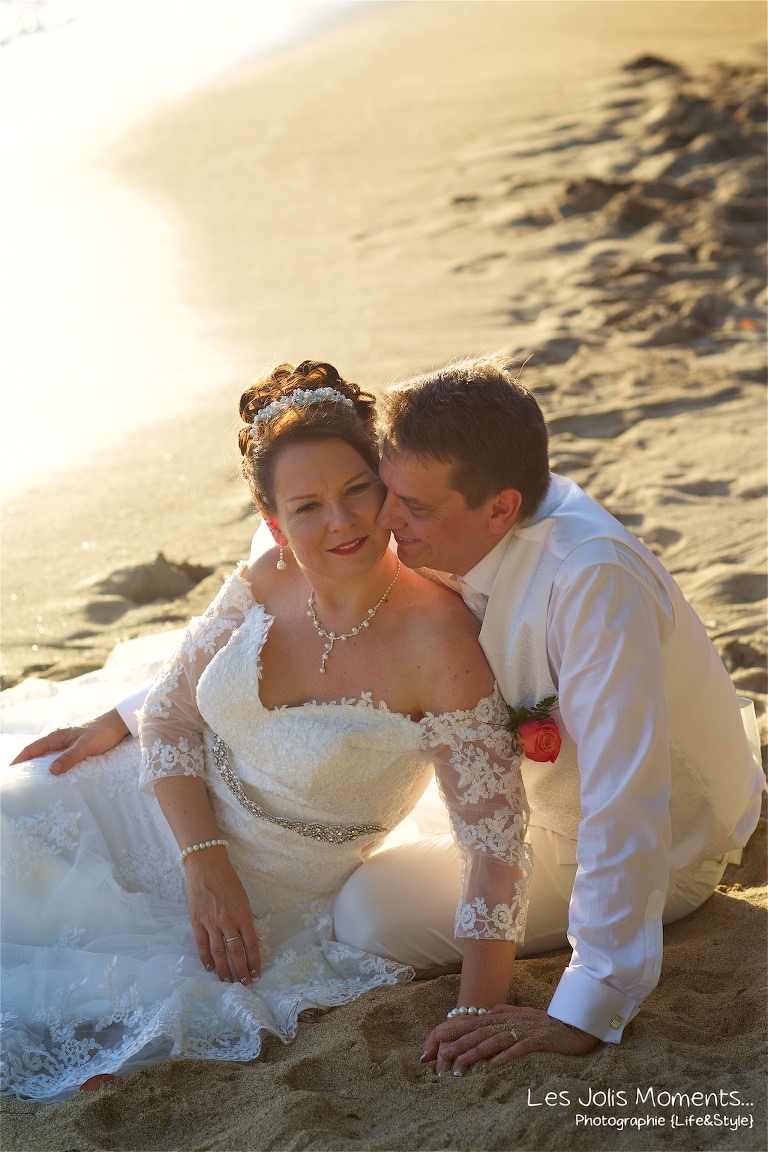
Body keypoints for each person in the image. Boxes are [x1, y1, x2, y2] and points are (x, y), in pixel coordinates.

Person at [11, 356, 764, 1078]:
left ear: (500, 508)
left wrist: (585, 1008)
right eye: (384, 491)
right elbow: (295, 633)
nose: (379, 523)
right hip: (426, 796)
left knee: (365, 919)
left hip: (652, 836)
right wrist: (132, 712)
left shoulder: (588, 583)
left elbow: (624, 803)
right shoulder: (442, 512)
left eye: (397, 502)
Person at [1, 360, 531, 1102]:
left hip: (271, 905)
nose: (341, 523)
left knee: (57, 1002)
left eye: (357, 492)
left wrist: (478, 1003)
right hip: (140, 808)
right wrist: (203, 861)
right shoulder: (264, 579)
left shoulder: (440, 644)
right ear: (276, 524)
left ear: (387, 485)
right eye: (308, 507)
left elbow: (494, 844)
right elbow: (170, 713)